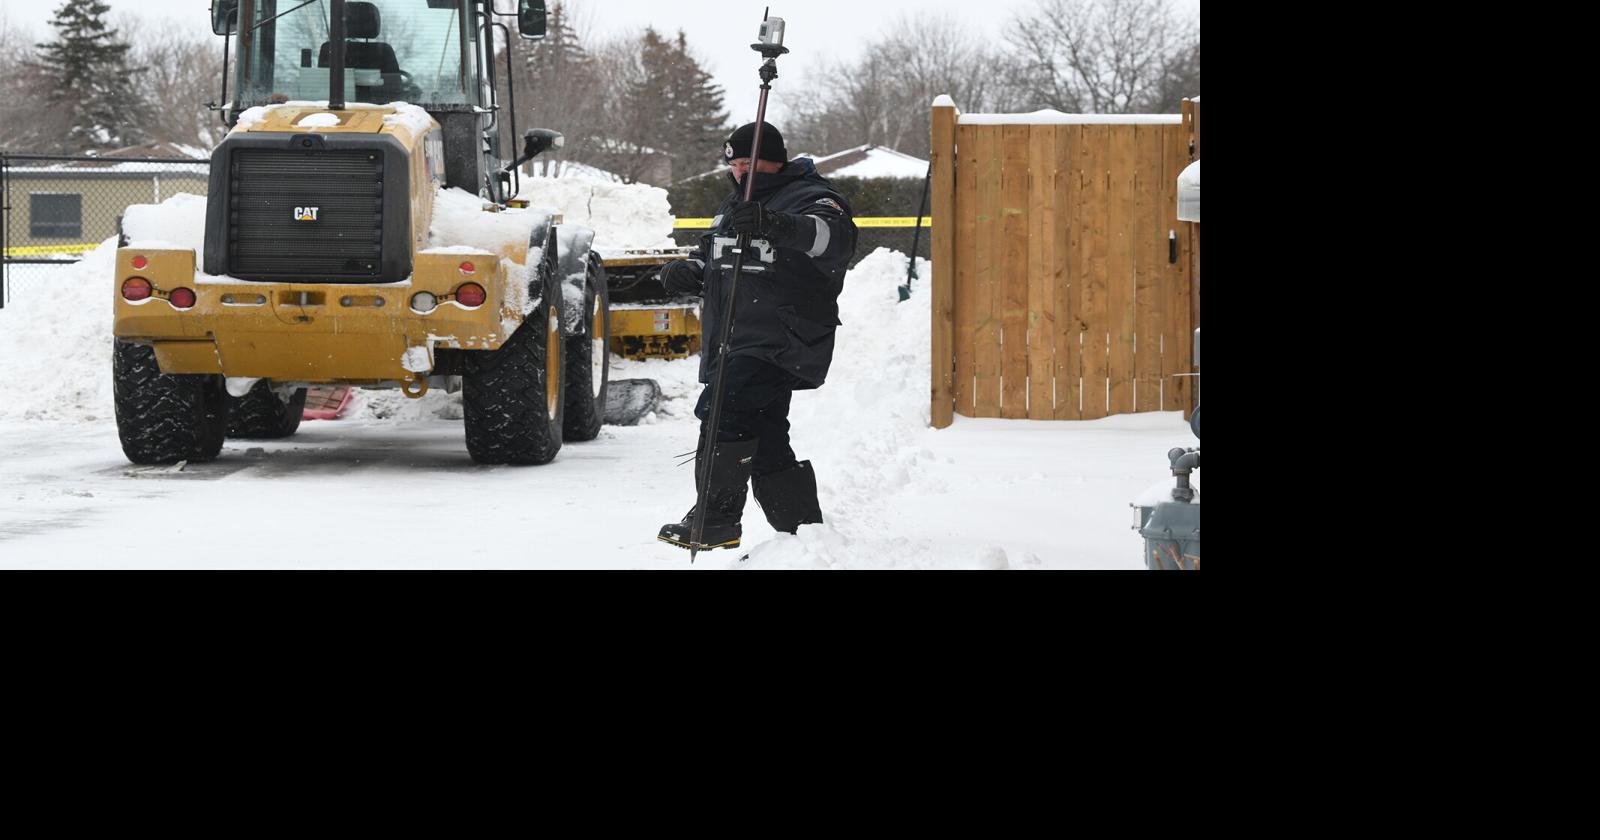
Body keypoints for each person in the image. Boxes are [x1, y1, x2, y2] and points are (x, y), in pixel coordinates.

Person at [656, 122, 858, 551]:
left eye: (750, 163)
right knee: (765, 435)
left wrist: (779, 225)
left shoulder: (814, 198)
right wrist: (690, 271)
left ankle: (716, 519)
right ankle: (805, 532)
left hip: (783, 334)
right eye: (734, 164)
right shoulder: (734, 206)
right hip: (737, 335)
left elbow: (833, 240)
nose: (741, 172)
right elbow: (718, 258)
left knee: (725, 410)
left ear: (776, 161)